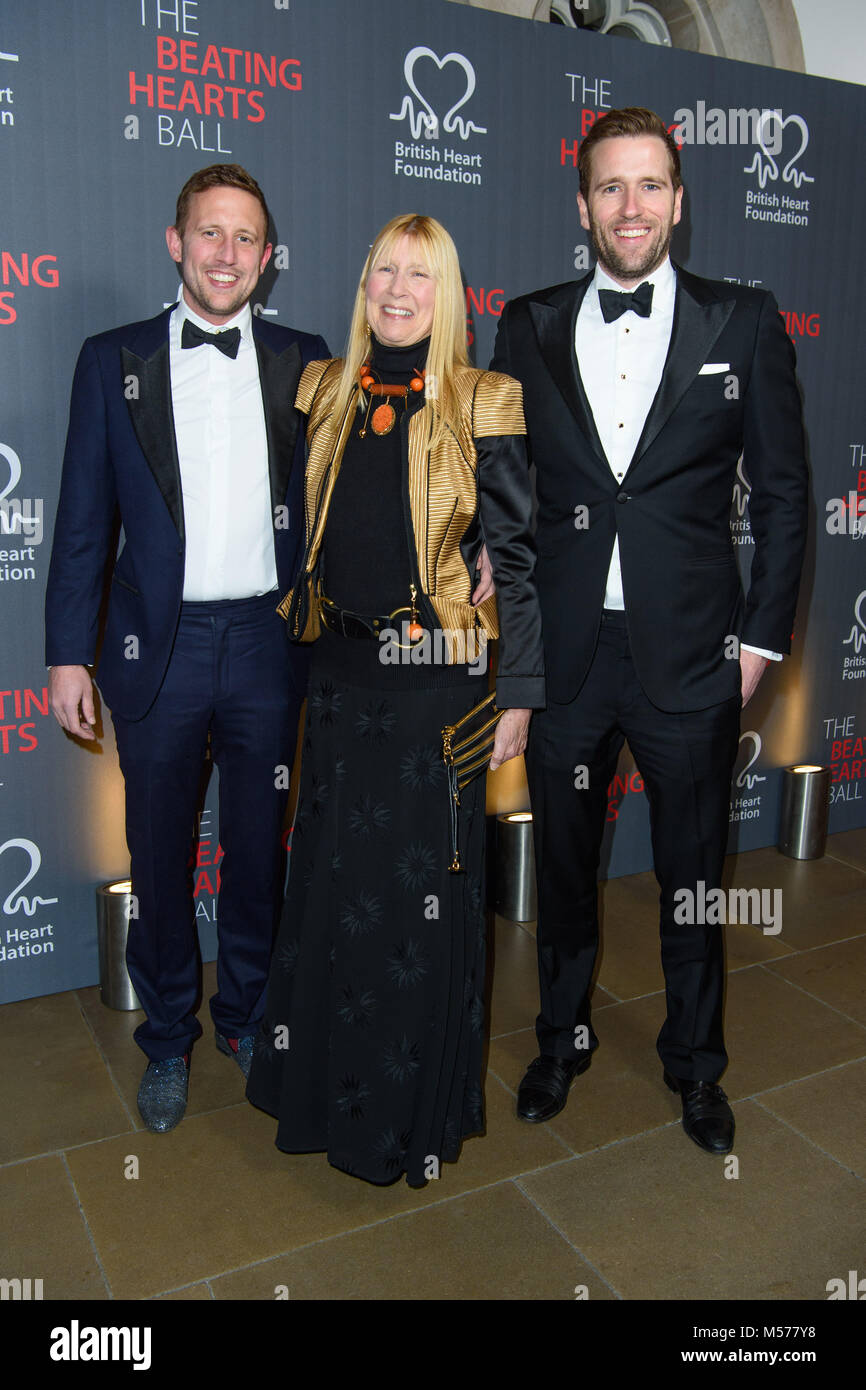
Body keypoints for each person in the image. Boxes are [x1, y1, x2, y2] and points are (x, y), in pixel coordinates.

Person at [492, 108, 808, 1154]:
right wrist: (521, 658)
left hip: (692, 656)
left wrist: (759, 639)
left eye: (650, 186)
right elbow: (510, 508)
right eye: (609, 188)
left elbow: (781, 496)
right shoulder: (525, 325)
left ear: (677, 199)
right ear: (580, 204)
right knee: (568, 871)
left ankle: (693, 1064)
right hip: (572, 660)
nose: (630, 207)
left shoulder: (742, 321)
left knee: (691, 877)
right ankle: (560, 1037)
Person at [245, 213, 545, 1186]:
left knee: (417, 911)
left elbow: (523, 562)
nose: (398, 288)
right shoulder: (321, 387)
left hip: (434, 691)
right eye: (385, 269)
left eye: (421, 273)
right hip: (335, 682)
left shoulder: (482, 397)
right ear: (363, 279)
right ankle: (320, 1093)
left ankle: (404, 1120)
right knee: (336, 894)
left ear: (448, 290)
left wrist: (522, 691)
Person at [45, 164, 328, 1133]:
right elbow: (83, 518)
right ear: (176, 243)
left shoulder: (306, 359)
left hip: (264, 642)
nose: (226, 253)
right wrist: (66, 654)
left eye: (245, 238)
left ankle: (246, 1015)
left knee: (258, 850)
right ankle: (168, 1034)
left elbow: (349, 503)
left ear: (266, 256)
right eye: (209, 233)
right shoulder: (110, 358)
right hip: (150, 646)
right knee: (159, 854)